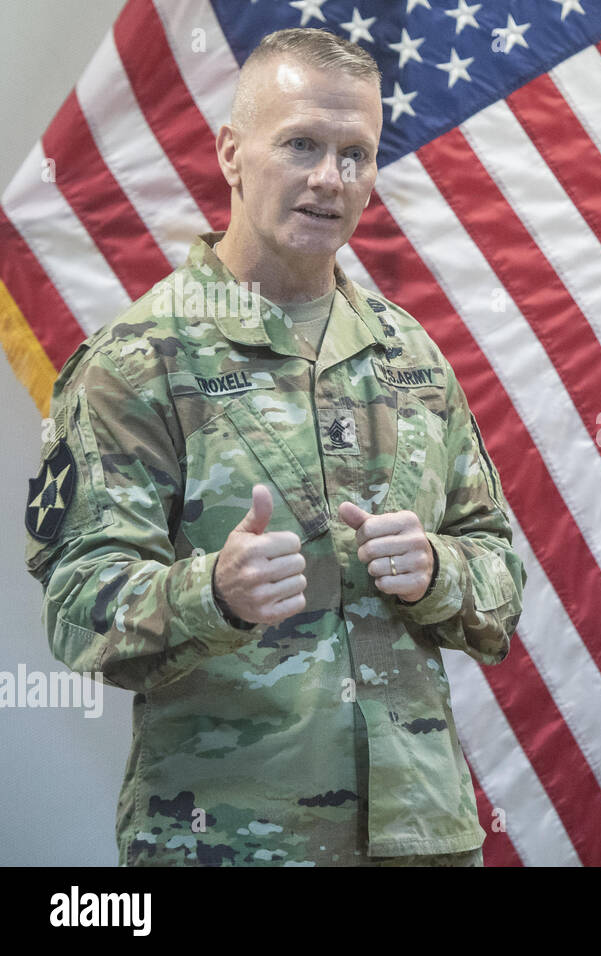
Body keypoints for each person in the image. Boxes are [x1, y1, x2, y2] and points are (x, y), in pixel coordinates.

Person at [23, 28, 524, 866]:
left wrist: (441, 570)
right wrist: (209, 592)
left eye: (355, 154)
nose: (330, 178)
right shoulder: (138, 361)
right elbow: (78, 608)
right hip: (228, 841)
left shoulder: (411, 357)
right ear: (232, 153)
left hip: (424, 839)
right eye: (300, 145)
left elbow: (501, 579)